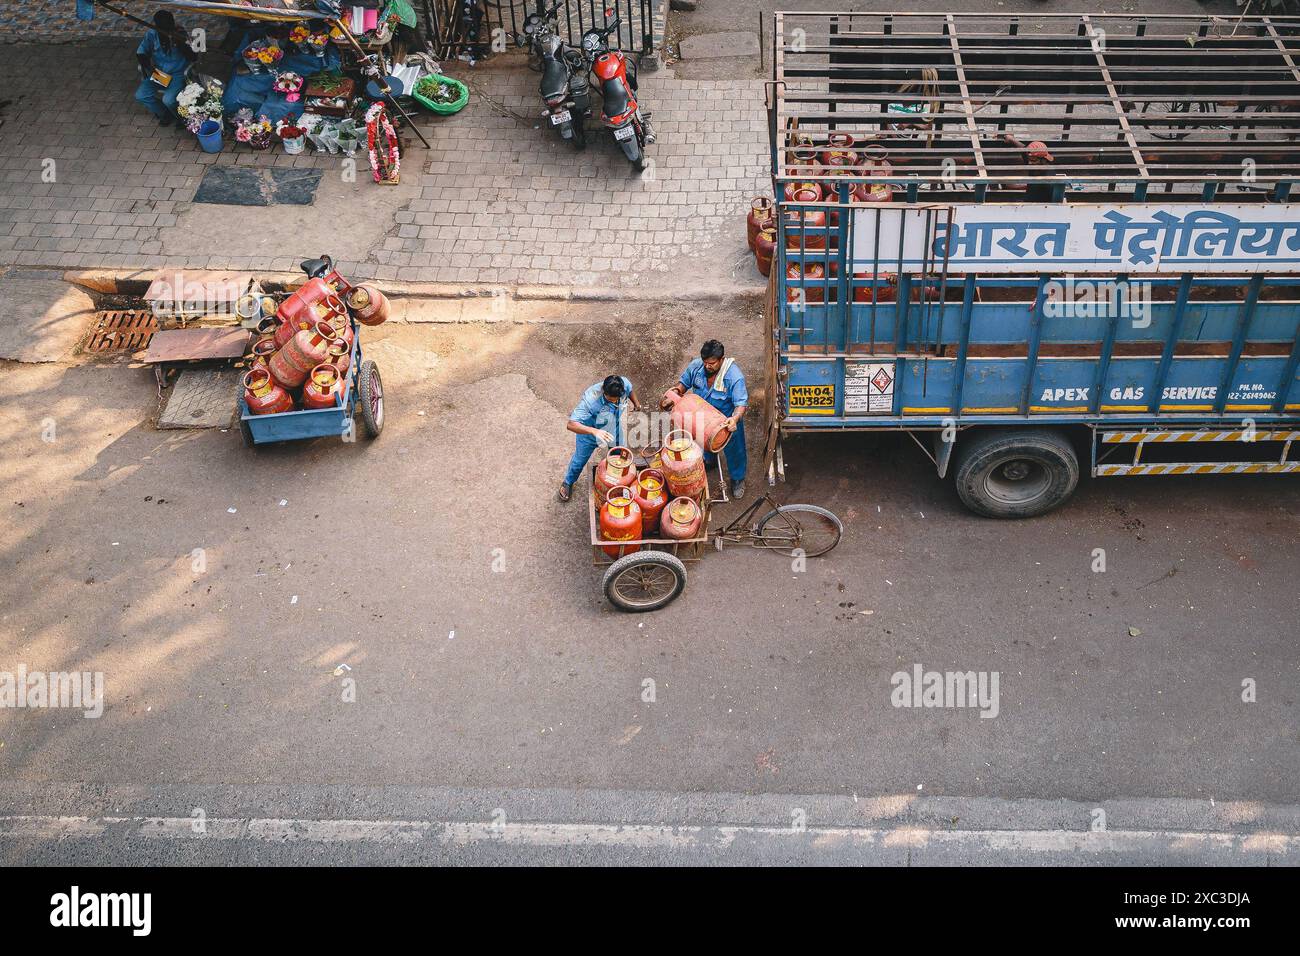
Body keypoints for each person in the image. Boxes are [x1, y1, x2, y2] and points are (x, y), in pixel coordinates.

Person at [664, 340, 749, 499]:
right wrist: (676, 393)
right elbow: (684, 383)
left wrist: (735, 419)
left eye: (712, 363)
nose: (708, 366)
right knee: (702, 443)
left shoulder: (734, 377)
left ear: (722, 359)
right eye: (705, 362)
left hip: (725, 421)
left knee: (735, 450)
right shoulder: (696, 366)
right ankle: (709, 461)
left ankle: (737, 479)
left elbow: (740, 403)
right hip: (701, 418)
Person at [558, 374, 640, 503]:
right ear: (604, 391)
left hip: (614, 429)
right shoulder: (590, 400)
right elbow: (571, 424)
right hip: (589, 434)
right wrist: (594, 431)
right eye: (611, 400)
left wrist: (636, 403)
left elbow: (630, 390)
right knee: (579, 461)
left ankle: (621, 480)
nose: (614, 402)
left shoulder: (623, 384)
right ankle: (568, 482)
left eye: (617, 399)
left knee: (620, 454)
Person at [134, 11, 195, 126]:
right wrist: (150, 69)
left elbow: (193, 57)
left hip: (178, 74)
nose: (165, 32)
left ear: (172, 24)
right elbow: (141, 53)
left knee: (168, 100)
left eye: (168, 27)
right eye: (162, 29)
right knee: (141, 95)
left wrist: (181, 43)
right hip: (159, 73)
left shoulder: (181, 34)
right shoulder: (152, 34)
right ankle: (165, 113)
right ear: (157, 27)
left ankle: (181, 116)